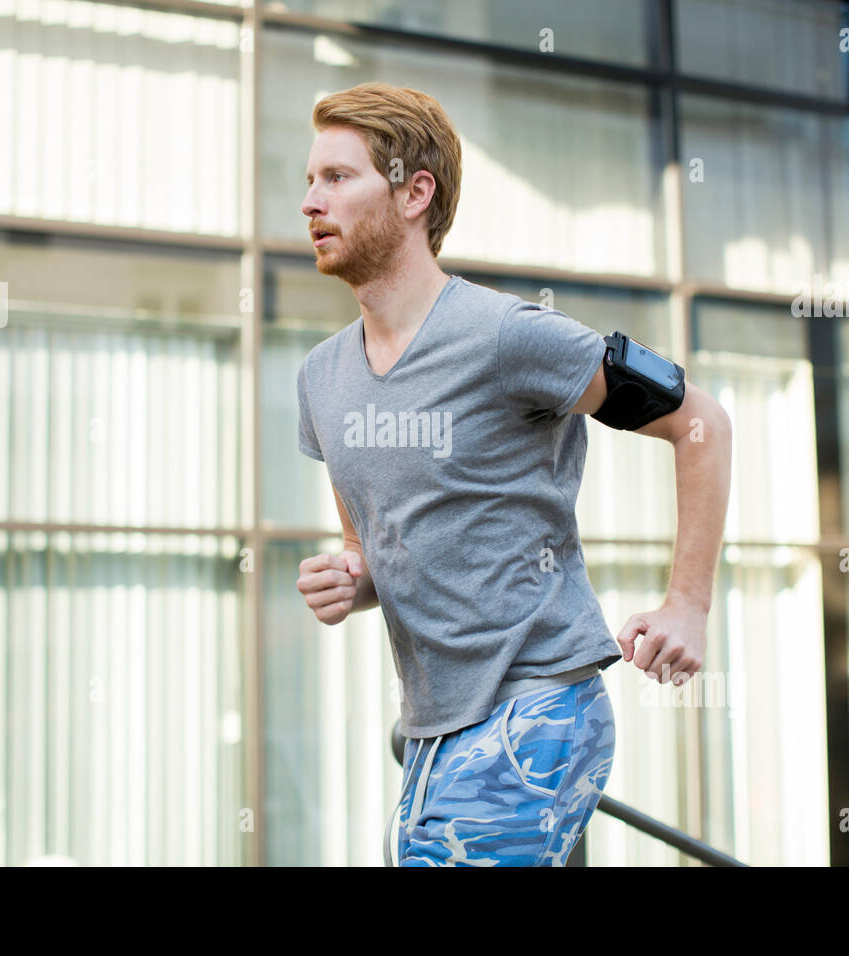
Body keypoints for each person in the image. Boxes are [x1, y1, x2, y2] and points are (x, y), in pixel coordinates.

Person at [294, 82, 732, 866]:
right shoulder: (322, 379)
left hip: (538, 707)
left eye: (337, 177)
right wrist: (351, 579)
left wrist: (688, 606)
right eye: (308, 180)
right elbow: (373, 547)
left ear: (413, 193)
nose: (310, 202)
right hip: (432, 731)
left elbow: (702, 422)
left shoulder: (507, 336)